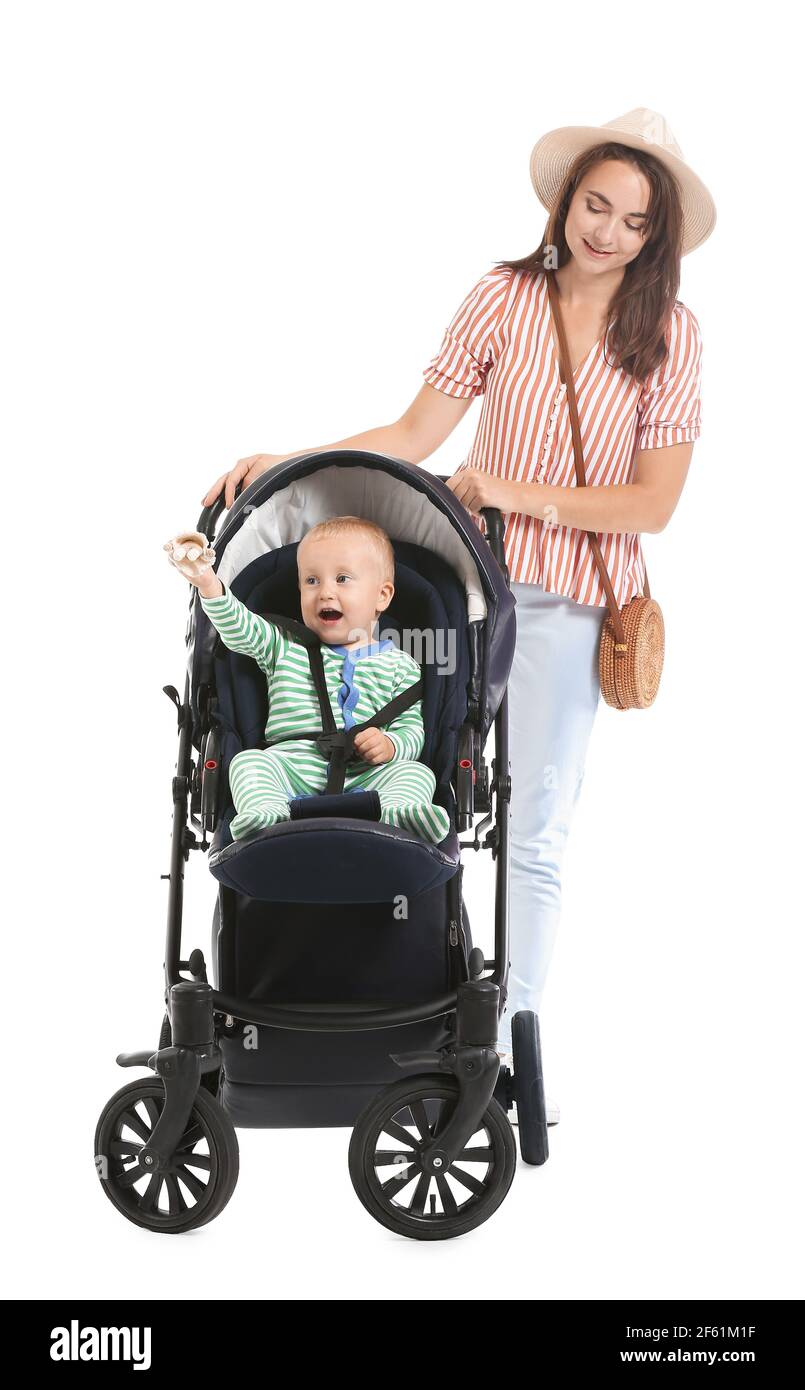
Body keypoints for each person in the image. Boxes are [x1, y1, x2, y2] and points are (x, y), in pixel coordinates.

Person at [199, 108, 715, 1119]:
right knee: (429, 778)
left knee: (535, 830)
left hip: (571, 601)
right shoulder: (502, 296)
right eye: (593, 204)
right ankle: (401, 996)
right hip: (469, 588)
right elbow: (412, 429)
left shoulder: (670, 334)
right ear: (564, 200)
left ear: (657, 237)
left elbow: (653, 502)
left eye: (632, 220)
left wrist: (514, 490)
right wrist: (291, 466)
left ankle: (510, 1038)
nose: (605, 230)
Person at [165, 515, 452, 846]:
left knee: (416, 773)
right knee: (248, 763)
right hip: (292, 769)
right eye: (312, 581)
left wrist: (390, 745)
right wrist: (207, 582)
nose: (325, 592)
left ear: (382, 596)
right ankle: (266, 813)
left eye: (343, 579)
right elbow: (239, 626)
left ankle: (400, 812)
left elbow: (412, 730)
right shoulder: (282, 644)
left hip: (369, 776)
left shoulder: (402, 666)